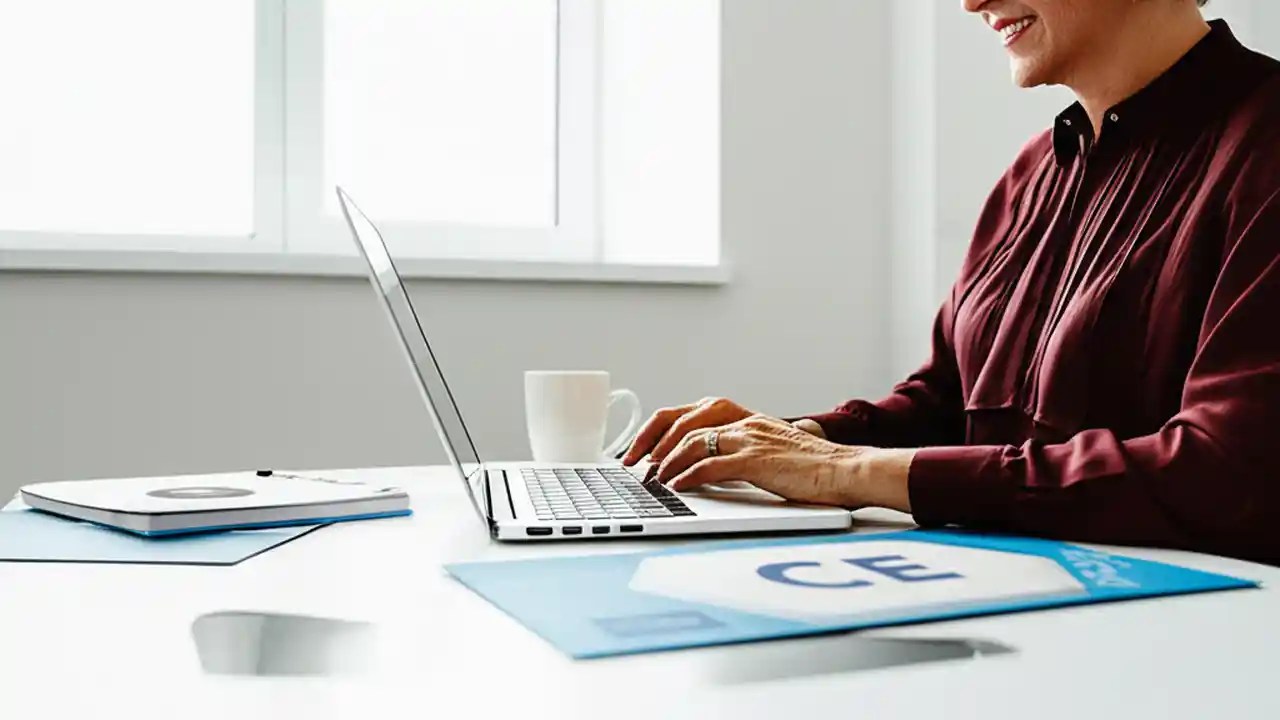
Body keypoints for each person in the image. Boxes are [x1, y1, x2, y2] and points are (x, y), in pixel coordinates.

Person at [622, 0, 1280, 565]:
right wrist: (790, 442)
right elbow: (946, 400)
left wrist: (850, 472)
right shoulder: (1031, 175)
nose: (971, 2)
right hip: (1010, 590)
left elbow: (1227, 470)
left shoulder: (1264, 145)